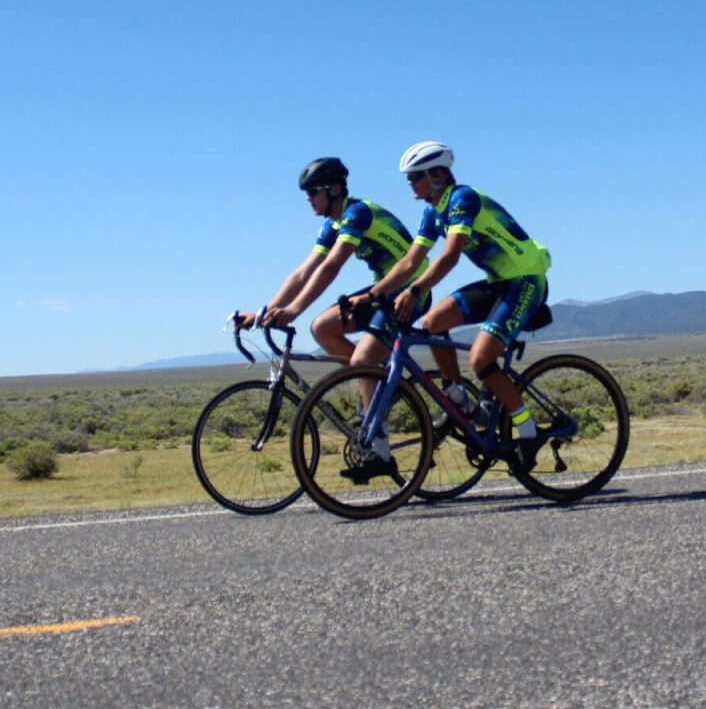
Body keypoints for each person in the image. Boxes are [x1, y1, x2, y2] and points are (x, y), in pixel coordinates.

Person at [351, 140, 554, 478]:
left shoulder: (463, 199)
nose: (409, 183)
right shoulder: (432, 212)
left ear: (438, 174)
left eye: (415, 176)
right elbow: (410, 261)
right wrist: (373, 295)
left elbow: (449, 257)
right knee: (432, 322)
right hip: (498, 281)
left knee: (480, 358)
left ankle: (529, 430)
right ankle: (457, 395)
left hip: (525, 280)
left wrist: (416, 290)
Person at [237, 157, 425, 373]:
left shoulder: (357, 213)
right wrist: (265, 312)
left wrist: (293, 310)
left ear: (334, 189)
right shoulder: (332, 225)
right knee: (321, 328)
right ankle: (380, 382)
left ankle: (374, 398)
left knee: (362, 361)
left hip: (411, 287)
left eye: (313, 191)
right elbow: (303, 272)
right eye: (306, 193)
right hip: (384, 288)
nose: (309, 198)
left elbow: (331, 266)